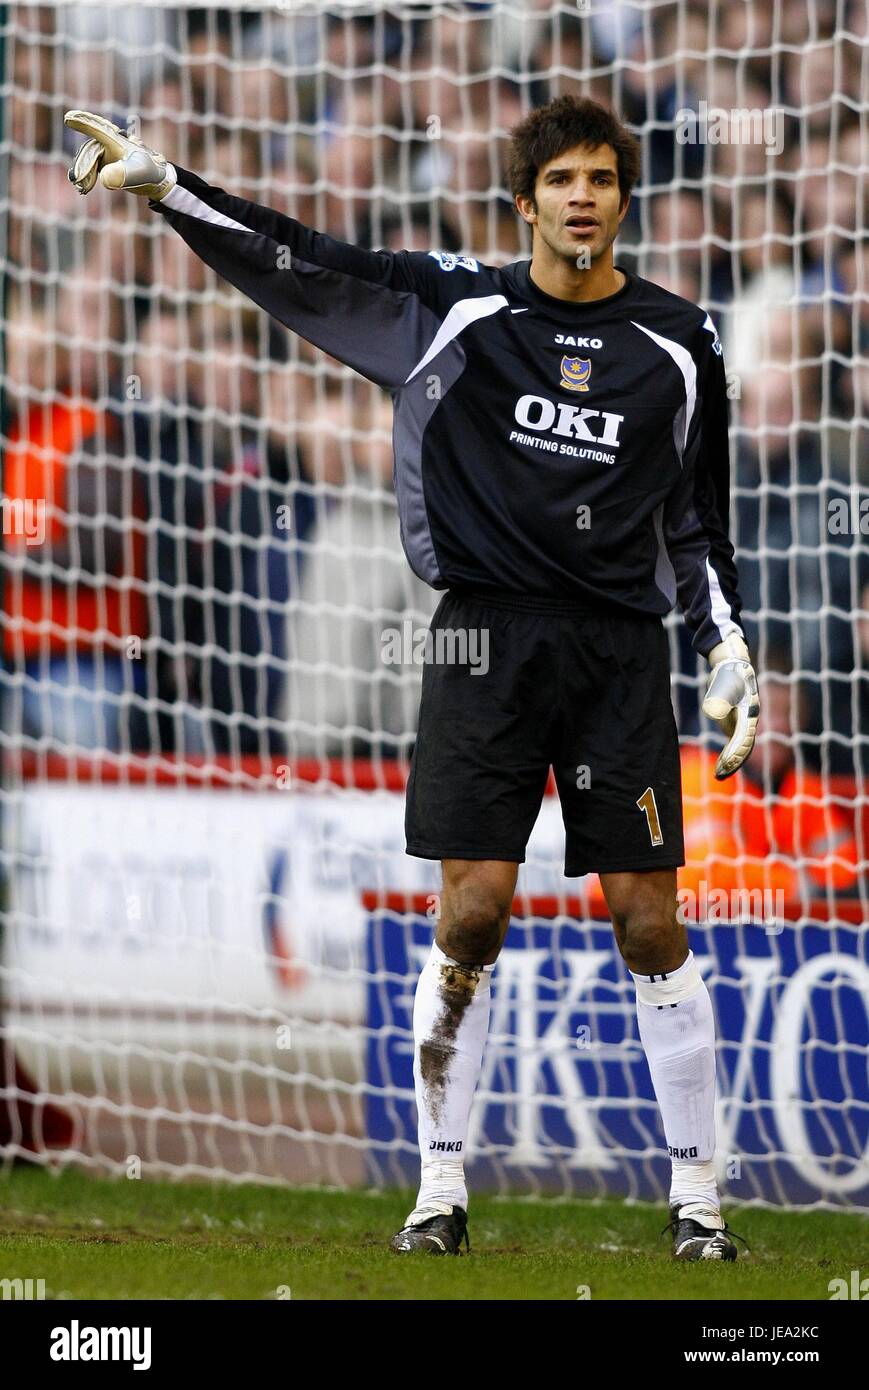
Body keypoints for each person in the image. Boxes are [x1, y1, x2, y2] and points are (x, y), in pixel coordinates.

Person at [64, 97, 760, 1262]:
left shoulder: (680, 342)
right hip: (479, 641)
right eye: (560, 180)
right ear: (523, 199)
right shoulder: (454, 307)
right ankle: (439, 1189)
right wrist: (173, 188)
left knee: (648, 921)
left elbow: (698, 522)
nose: (580, 196)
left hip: (620, 654)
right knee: (472, 910)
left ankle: (698, 1203)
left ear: (622, 199)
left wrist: (725, 646)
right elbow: (305, 264)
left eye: (600, 178)